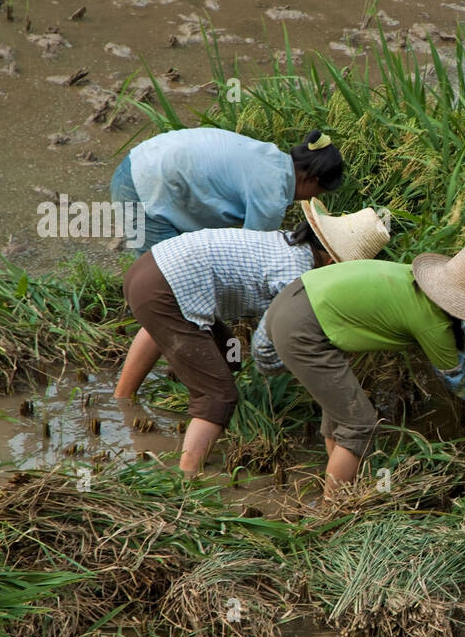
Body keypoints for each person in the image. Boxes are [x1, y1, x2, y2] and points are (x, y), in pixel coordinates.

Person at [115, 200, 390, 477]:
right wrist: (297, 367)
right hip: (166, 290)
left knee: (219, 354)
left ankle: (122, 401)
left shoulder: (289, 243)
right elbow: (262, 349)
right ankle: (188, 479)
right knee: (218, 395)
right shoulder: (297, 275)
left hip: (149, 269)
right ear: (331, 262)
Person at [260, 242, 465, 499]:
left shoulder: (420, 284)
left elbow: (458, 332)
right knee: (360, 424)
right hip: (304, 328)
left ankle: (344, 492)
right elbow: (457, 377)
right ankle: (332, 511)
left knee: (342, 416)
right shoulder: (431, 322)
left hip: (296, 301)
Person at [109, 127, 344, 249]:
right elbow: (249, 257)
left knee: (169, 277)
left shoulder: (270, 157)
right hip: (144, 187)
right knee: (168, 284)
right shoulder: (272, 197)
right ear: (312, 180)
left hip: (138, 161)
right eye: (319, 193)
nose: (313, 198)